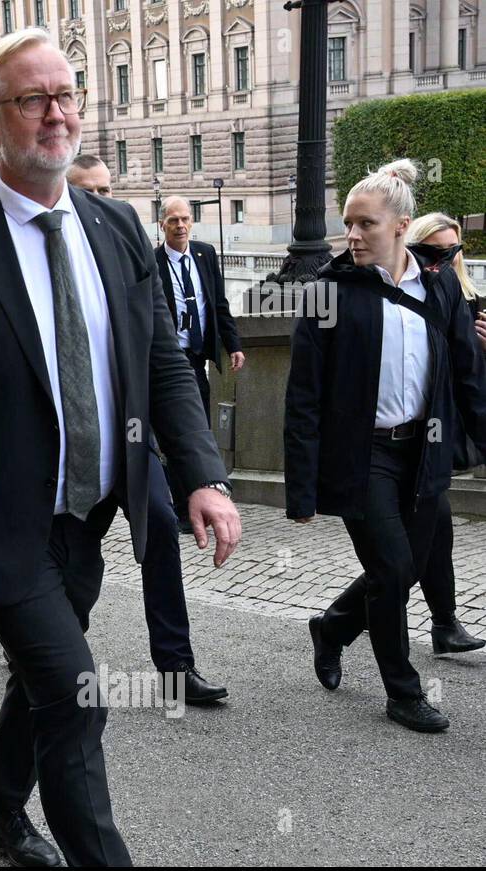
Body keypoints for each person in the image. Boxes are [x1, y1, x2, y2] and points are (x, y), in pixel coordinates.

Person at [0, 29, 239, 867]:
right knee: (78, 694)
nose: (58, 114)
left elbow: (158, 363)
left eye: (68, 94)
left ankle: (5, 814)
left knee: (44, 679)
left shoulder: (118, 229)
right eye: (34, 99)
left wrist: (203, 476)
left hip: (87, 513)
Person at [286, 160, 486, 734]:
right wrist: (301, 489)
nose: (352, 235)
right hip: (362, 456)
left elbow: (466, 372)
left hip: (424, 450)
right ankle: (403, 691)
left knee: (404, 568)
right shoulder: (328, 291)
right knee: (393, 566)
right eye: (347, 223)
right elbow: (302, 397)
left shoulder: (440, 284)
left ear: (401, 226)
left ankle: (332, 627)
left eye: (365, 224)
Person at [65, 163, 229, 704]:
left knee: (161, 529)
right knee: (75, 569)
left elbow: (165, 362)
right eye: (90, 192)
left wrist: (206, 477)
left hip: (133, 445)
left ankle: (177, 668)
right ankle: (50, 648)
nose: (102, 201)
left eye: (109, 191)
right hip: (68, 454)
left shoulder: (127, 246)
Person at [401, 213, 486, 655]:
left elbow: (470, 370)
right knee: (409, 546)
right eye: (436, 250)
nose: (447, 258)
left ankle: (444, 624)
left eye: (454, 250)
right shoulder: (408, 291)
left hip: (440, 432)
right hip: (400, 434)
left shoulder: (465, 295)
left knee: (436, 530)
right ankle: (342, 621)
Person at [155, 195, 245, 532]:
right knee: (174, 436)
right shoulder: (153, 263)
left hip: (197, 359)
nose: (180, 226)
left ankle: (197, 499)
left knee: (199, 430)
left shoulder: (205, 254)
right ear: (162, 224)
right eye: (173, 220)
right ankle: (179, 509)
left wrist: (232, 345)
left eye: (185, 219)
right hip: (169, 360)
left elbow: (218, 303)